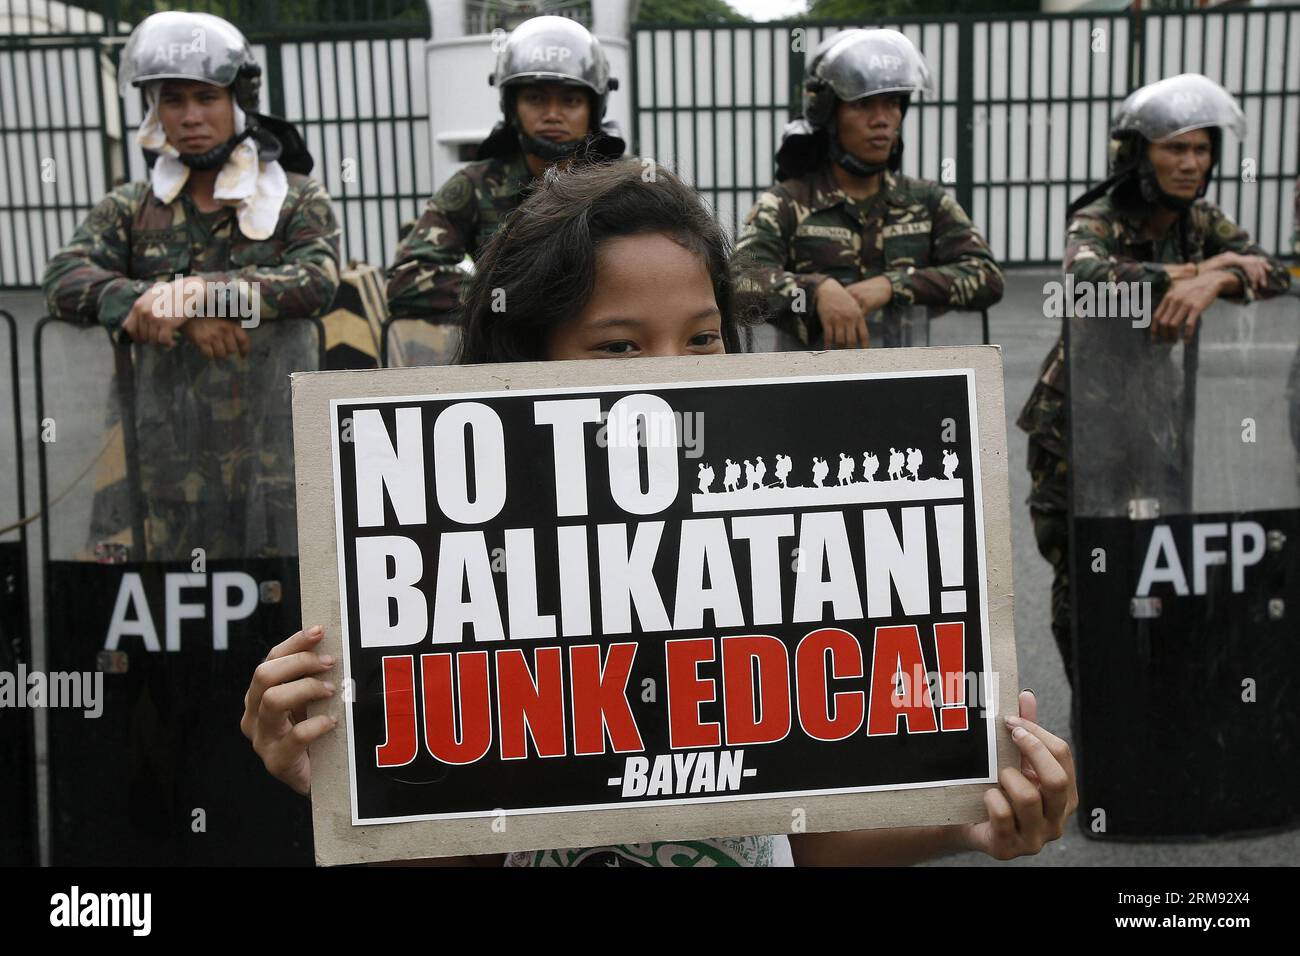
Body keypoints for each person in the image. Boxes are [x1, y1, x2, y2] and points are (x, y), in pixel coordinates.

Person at [242, 160, 1077, 866]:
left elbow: (808, 832)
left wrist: (966, 816)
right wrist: (343, 785)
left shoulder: (800, 553)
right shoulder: (447, 577)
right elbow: (457, 841)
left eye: (704, 337)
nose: (672, 377)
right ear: (524, 360)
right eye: (619, 346)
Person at [1016, 74, 1291, 687]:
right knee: (1085, 578)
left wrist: (1221, 280)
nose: (1192, 163)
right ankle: (1094, 707)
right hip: (1077, 431)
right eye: (1175, 148)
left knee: (1160, 567)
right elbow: (1086, 281)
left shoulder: (1203, 220)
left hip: (1156, 428)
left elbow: (1276, 271)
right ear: (1138, 153)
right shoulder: (1101, 216)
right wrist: (1196, 270)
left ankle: (1148, 707)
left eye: (1201, 149)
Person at [42, 10, 339, 560]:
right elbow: (64, 275)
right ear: (156, 111)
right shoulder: (130, 207)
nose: (191, 116)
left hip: (274, 445)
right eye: (173, 100)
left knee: (286, 598)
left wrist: (200, 292)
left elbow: (316, 281)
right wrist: (143, 302)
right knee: (168, 605)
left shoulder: (295, 197)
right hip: (163, 447)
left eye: (206, 97)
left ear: (237, 102)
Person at [732, 29, 1002, 349]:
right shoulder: (784, 203)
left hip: (912, 382)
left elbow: (987, 276)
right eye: (863, 105)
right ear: (830, 115)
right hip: (813, 385)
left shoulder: (927, 200)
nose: (882, 120)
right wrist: (815, 290)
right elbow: (740, 281)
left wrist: (894, 285)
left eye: (891, 103)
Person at [386, 15, 624, 322]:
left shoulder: (625, 186)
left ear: (595, 107)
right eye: (535, 98)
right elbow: (407, 280)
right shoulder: (475, 185)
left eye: (570, 100)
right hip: (507, 357)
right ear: (511, 106)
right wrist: (512, 296)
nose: (552, 115)